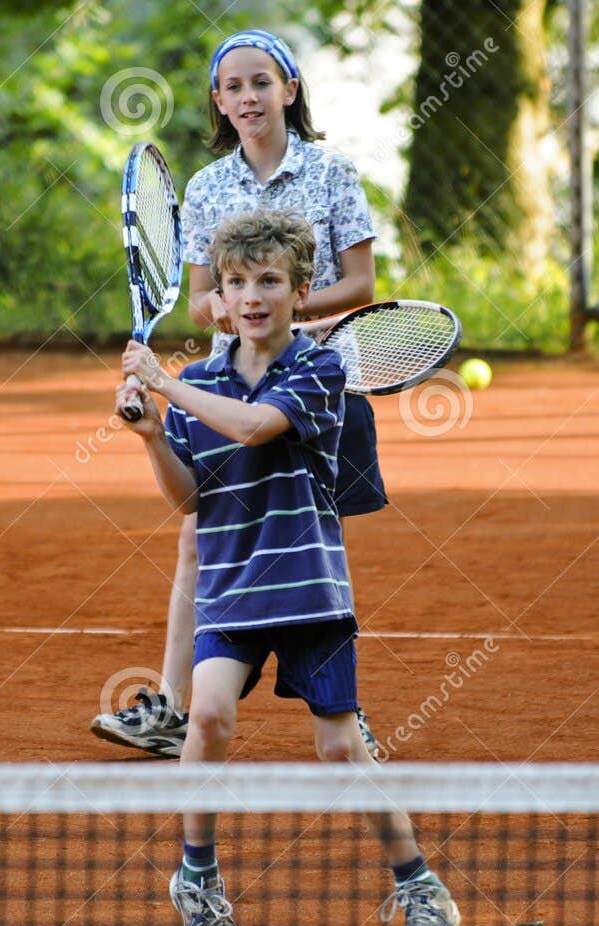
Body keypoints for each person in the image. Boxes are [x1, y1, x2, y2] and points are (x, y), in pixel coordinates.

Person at [115, 210, 460, 926]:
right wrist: (151, 436)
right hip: (232, 589)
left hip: (309, 590)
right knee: (205, 717)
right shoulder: (201, 380)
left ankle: (418, 885)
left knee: (340, 751)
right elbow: (187, 499)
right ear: (218, 300)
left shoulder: (318, 370)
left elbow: (251, 428)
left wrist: (163, 387)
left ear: (301, 291)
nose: (252, 296)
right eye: (236, 283)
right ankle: (198, 881)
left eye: (270, 280)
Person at [91, 28, 386, 761]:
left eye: (261, 82)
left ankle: (346, 713)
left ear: (289, 90)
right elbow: (196, 298)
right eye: (233, 88)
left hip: (314, 381)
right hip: (230, 389)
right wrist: (225, 311)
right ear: (219, 104)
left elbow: (362, 284)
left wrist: (283, 313)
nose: (248, 97)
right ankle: (170, 707)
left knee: (314, 538)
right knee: (198, 532)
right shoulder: (206, 188)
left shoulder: (332, 174)